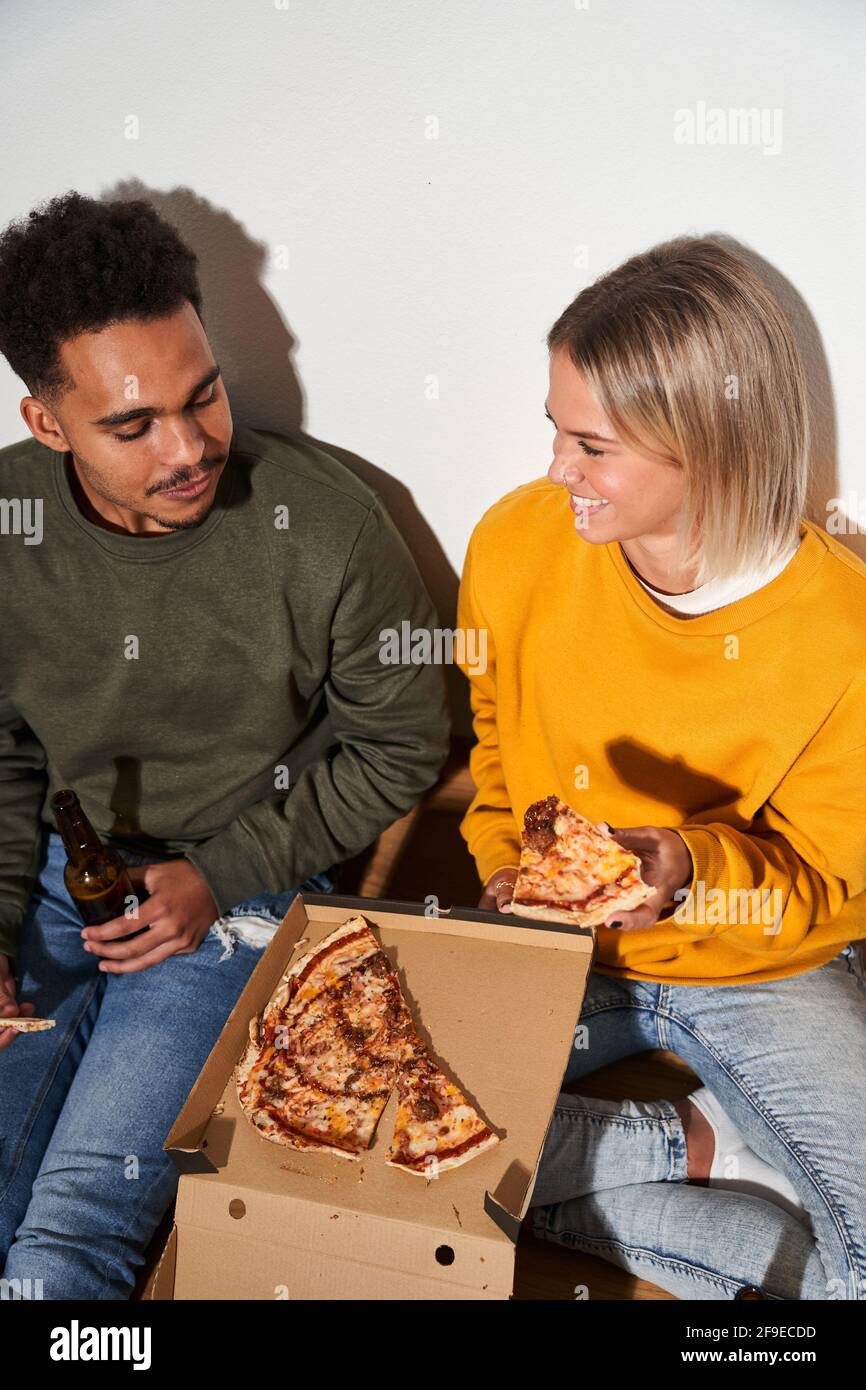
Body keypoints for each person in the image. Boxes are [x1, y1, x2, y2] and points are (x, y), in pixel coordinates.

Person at [0, 191, 450, 1298]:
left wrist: (222, 872)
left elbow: (402, 748)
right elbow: (6, 744)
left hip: (245, 882)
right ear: (46, 422)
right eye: (133, 424)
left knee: (65, 1245)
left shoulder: (329, 525)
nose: (191, 445)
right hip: (63, 874)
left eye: (203, 396)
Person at [456, 236, 866, 1301]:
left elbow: (825, 884)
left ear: (713, 448)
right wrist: (511, 867)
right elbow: (493, 754)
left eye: (592, 447)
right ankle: (699, 1142)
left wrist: (687, 867)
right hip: (559, 951)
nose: (555, 471)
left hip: (762, 970)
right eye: (555, 429)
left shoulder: (842, 629)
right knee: (361, 1133)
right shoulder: (513, 542)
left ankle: (709, 1157)